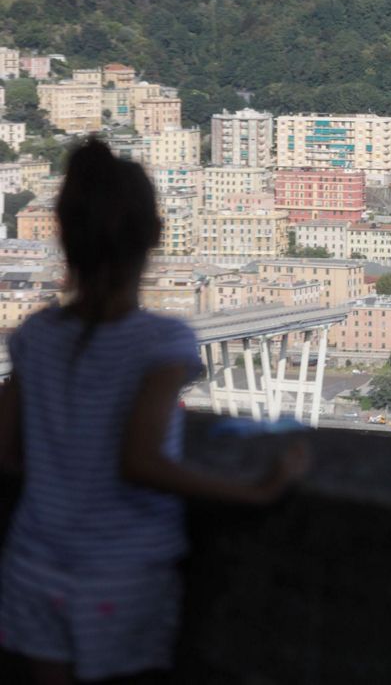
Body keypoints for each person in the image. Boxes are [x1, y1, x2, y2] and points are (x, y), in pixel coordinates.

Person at [0, 138, 309, 684]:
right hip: (122, 573)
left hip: (34, 566)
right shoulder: (161, 343)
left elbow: (8, 454)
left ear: (65, 237)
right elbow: (141, 461)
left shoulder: (34, 336)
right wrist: (259, 489)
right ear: (155, 240)